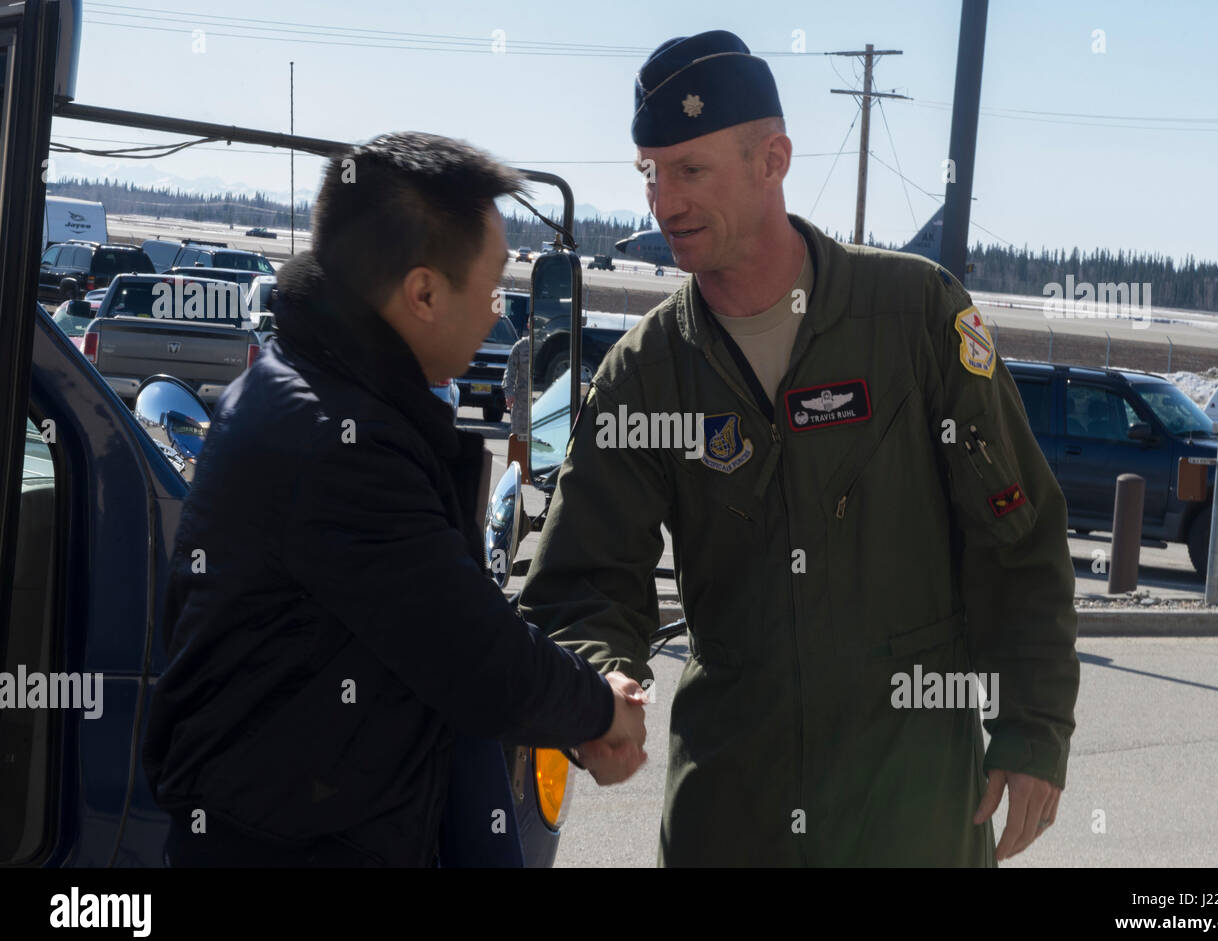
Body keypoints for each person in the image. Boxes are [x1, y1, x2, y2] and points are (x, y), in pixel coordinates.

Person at [518, 31, 1080, 866]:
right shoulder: (647, 372)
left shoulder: (917, 318)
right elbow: (583, 580)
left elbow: (1019, 534)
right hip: (735, 811)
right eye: (650, 173)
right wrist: (602, 681)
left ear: (772, 159)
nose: (663, 203)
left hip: (914, 808)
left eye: (690, 170)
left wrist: (1034, 726)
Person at [142, 132, 647, 868]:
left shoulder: (305, 387)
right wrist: (600, 707)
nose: (498, 308)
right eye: (493, 278)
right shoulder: (339, 443)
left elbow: (429, 638)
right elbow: (473, 656)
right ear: (424, 292)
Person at [502, 331, 530, 436]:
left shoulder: (546, 345)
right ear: (528, 325)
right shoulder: (521, 346)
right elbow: (510, 371)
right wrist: (509, 394)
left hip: (543, 400)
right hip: (522, 404)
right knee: (519, 438)